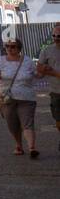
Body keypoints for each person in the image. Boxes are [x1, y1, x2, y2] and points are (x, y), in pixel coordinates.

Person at [0, 38, 41, 157]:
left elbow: (37, 74)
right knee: (12, 124)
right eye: (7, 46)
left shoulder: (28, 61)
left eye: (13, 46)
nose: (9, 48)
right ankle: (19, 145)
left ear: (19, 48)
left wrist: (43, 71)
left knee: (27, 123)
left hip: (26, 98)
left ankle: (32, 148)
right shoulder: (0, 61)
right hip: (7, 99)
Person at [35, 23, 60, 151]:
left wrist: (51, 71)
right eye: (54, 35)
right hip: (56, 91)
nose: (56, 38)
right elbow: (39, 68)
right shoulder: (47, 50)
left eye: (59, 35)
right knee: (58, 119)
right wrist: (47, 69)